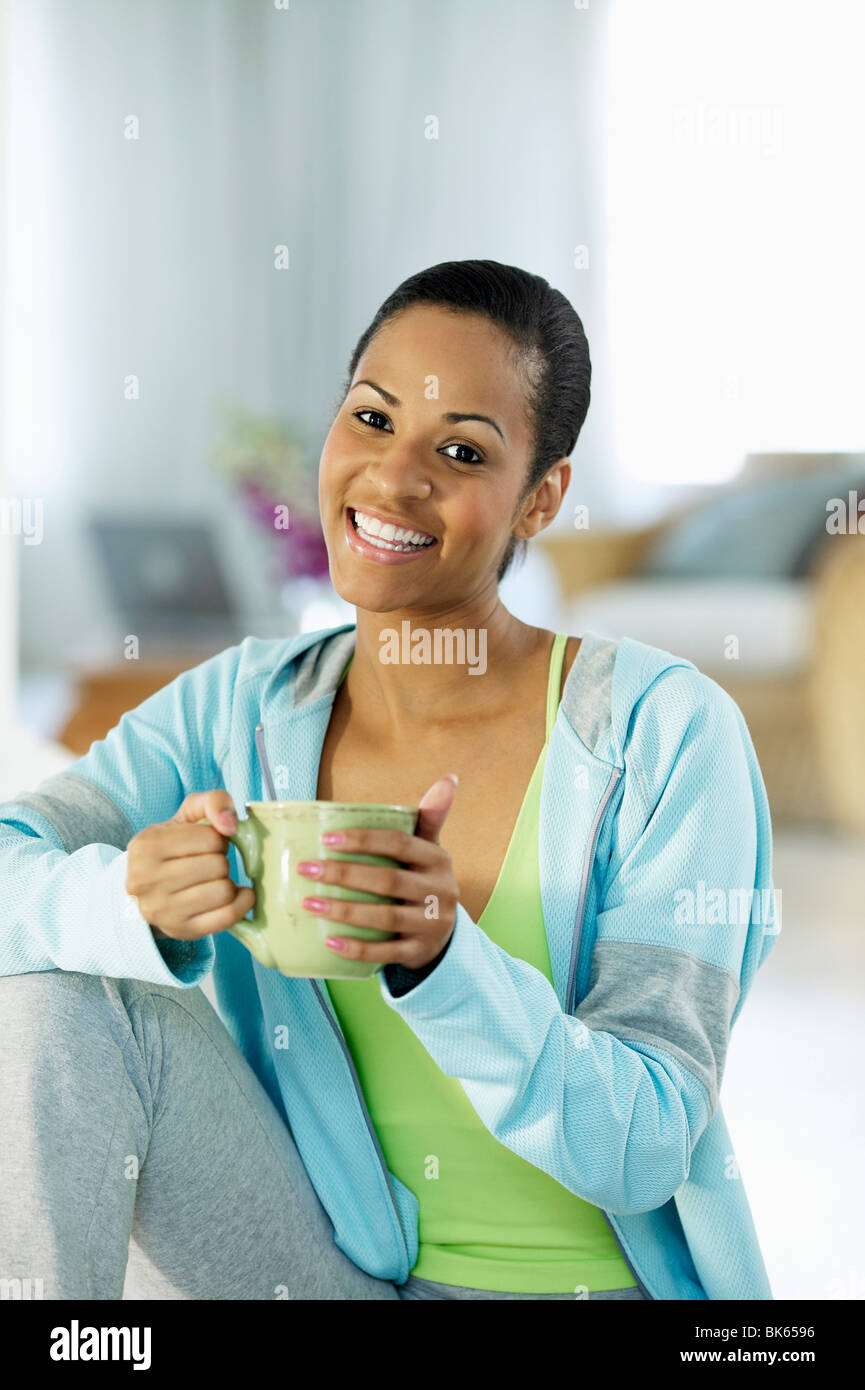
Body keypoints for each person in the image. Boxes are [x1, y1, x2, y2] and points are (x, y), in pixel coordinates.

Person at [0, 259, 779, 1301]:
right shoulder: (233, 706)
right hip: (326, 1276)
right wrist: (131, 900)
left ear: (540, 498)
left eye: (460, 449)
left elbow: (643, 1145)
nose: (394, 478)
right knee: (62, 987)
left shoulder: (662, 733)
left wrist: (445, 964)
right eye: (371, 419)